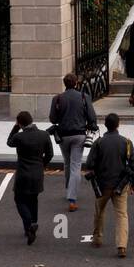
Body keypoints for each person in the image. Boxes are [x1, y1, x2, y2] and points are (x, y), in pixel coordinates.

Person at [85, 112, 134, 258]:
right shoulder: (126, 142)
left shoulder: (99, 143)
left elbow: (90, 163)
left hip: (102, 184)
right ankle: (121, 245)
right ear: (118, 125)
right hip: (120, 185)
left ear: (106, 125)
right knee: (121, 214)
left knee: (99, 211)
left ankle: (97, 238)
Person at [49, 72, 98, 212]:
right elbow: (92, 117)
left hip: (63, 136)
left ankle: (68, 188)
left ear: (65, 84)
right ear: (76, 83)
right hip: (79, 134)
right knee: (76, 165)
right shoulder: (84, 97)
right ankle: (72, 198)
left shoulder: (57, 98)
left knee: (67, 162)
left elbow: (53, 119)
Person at [7, 111, 54, 245]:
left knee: (19, 199)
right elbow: (49, 154)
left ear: (20, 123)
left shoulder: (20, 137)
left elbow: (9, 142)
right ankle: (32, 224)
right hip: (37, 173)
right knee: (33, 199)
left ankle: (29, 224)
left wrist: (15, 127)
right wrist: (41, 165)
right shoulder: (44, 135)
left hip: (23, 173)